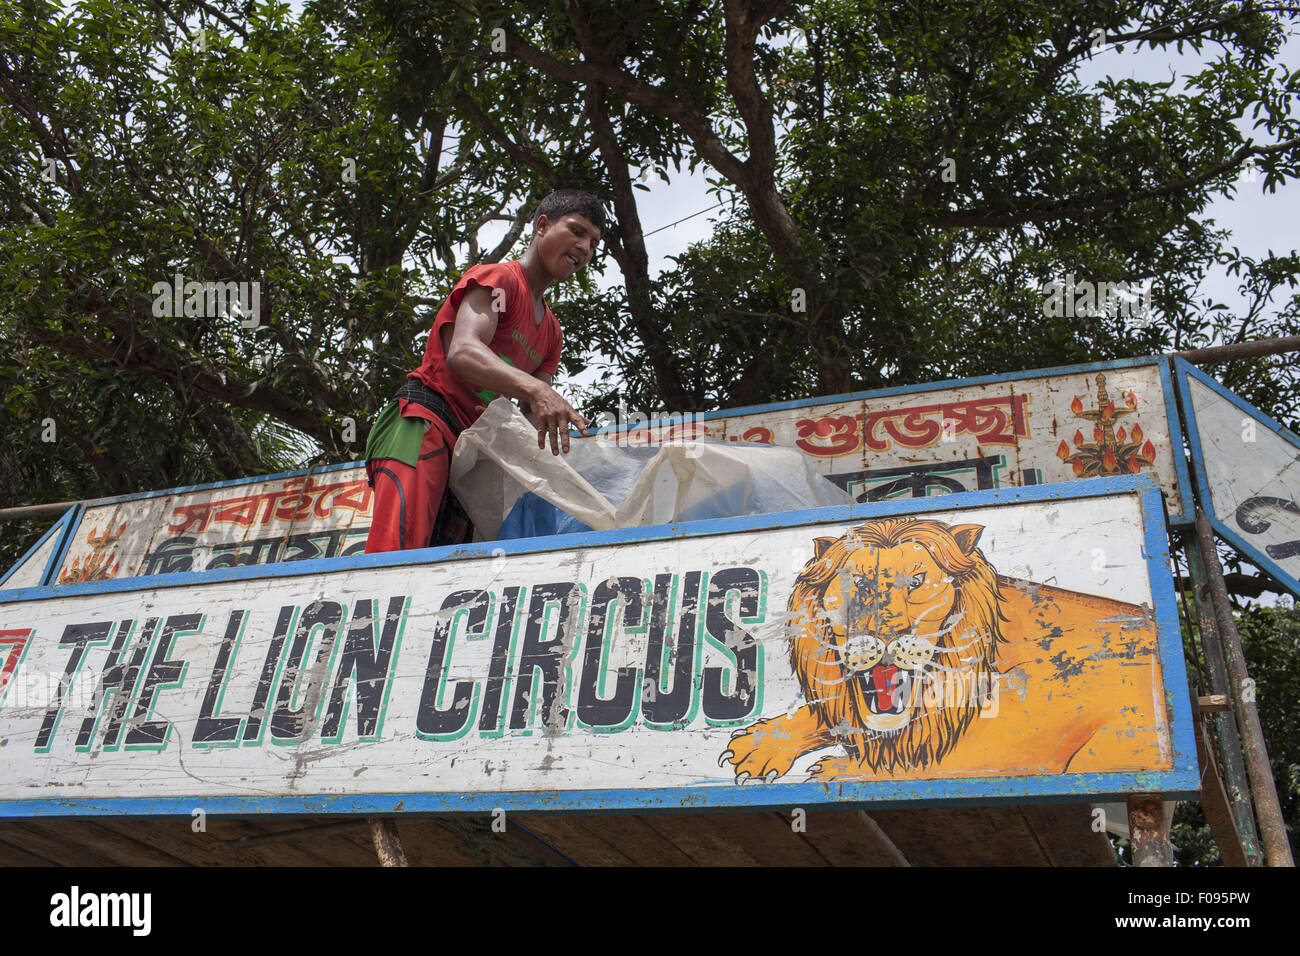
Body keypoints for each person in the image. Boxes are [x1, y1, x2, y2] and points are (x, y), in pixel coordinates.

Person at [363, 189, 603, 553]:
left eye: (593, 242)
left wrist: (580, 459)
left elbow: (531, 416)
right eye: (576, 231)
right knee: (395, 556)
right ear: (541, 226)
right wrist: (540, 393)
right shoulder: (500, 279)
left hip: (472, 454)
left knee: (445, 567)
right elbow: (463, 351)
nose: (585, 247)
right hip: (425, 423)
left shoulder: (552, 334)